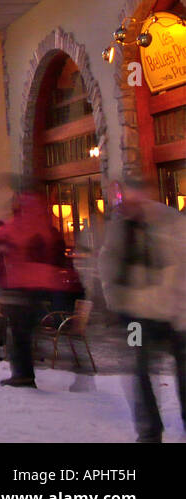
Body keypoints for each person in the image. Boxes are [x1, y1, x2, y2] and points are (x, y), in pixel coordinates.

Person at [98, 176, 186, 443]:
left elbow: (181, 267)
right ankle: (149, 430)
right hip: (137, 316)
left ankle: (151, 430)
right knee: (140, 368)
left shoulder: (169, 222)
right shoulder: (120, 228)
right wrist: (115, 301)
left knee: (181, 370)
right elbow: (107, 264)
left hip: (172, 314)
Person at [0, 190, 68, 388]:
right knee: (26, 330)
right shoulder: (44, 227)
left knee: (18, 333)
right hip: (43, 286)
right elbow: (58, 252)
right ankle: (29, 367)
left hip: (19, 286)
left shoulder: (15, 227)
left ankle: (23, 374)